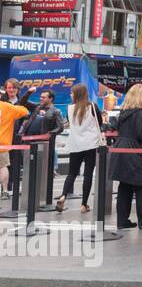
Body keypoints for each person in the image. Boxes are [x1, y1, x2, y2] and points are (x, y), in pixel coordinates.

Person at [111, 84, 142, 230]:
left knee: (124, 186)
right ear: (139, 96)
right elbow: (140, 135)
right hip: (133, 150)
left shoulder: (124, 112)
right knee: (141, 184)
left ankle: (122, 220)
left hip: (120, 149)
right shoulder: (140, 113)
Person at [57, 83, 101, 215]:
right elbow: (100, 123)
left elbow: (71, 124)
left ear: (77, 94)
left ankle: (63, 195)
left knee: (72, 173)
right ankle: (83, 204)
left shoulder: (70, 109)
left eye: (72, 93)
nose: (70, 95)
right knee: (88, 174)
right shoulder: (92, 106)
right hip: (91, 144)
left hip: (75, 145)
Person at [0, 83, 28, 201]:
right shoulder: (7, 106)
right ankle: (5, 191)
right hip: (3, 143)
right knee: (3, 166)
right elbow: (24, 112)